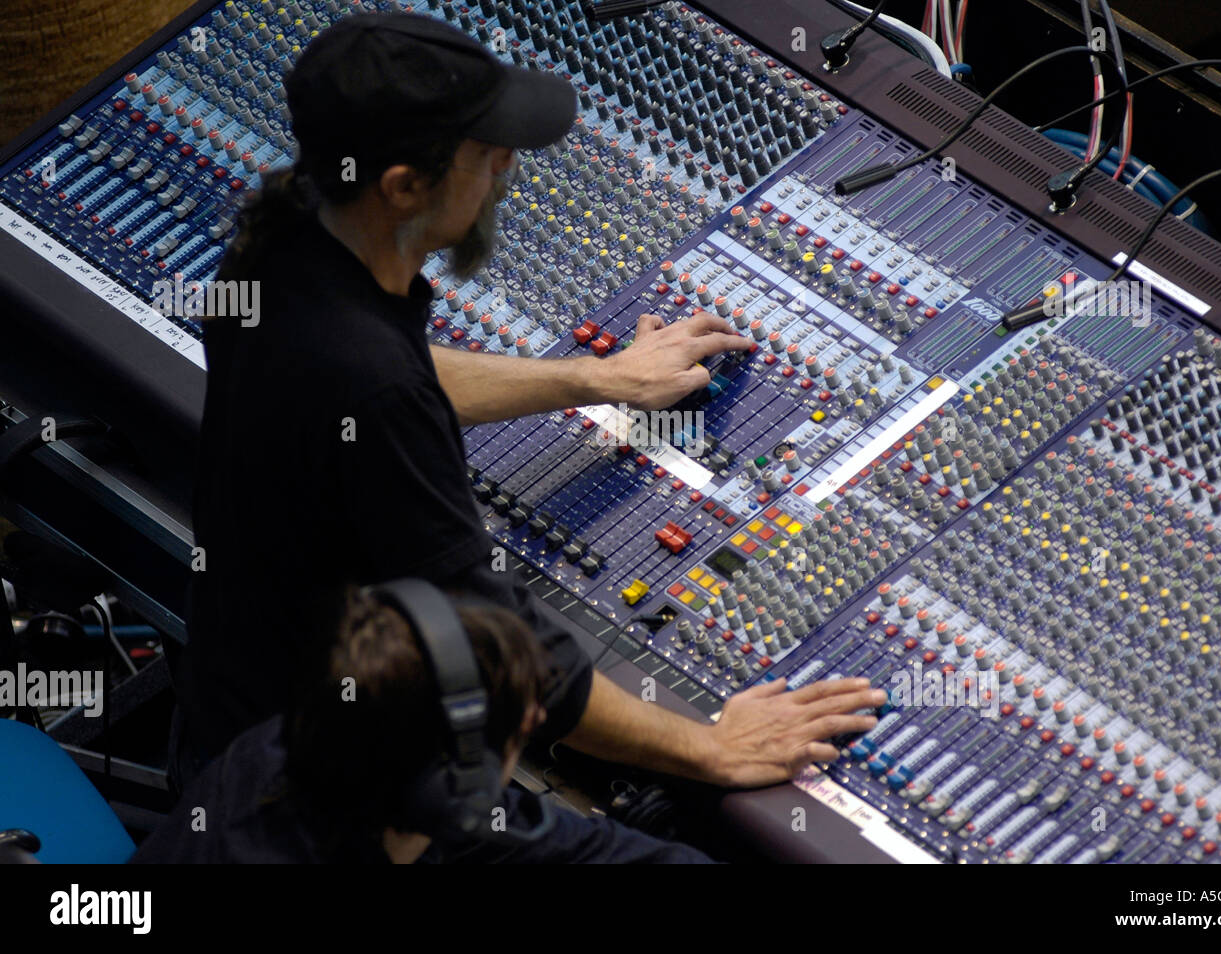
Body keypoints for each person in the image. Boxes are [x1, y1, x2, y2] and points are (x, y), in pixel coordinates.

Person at [170, 12, 886, 797]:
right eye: (485, 153)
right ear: (404, 186)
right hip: (321, 796)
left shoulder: (284, 237)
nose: (507, 165)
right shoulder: (374, 392)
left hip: (230, 708)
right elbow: (492, 645)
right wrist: (707, 746)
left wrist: (594, 379)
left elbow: (387, 370)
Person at [136, 586, 711, 863]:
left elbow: (581, 849)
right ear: (455, 789)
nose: (537, 719)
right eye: (521, 729)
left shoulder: (306, 745)